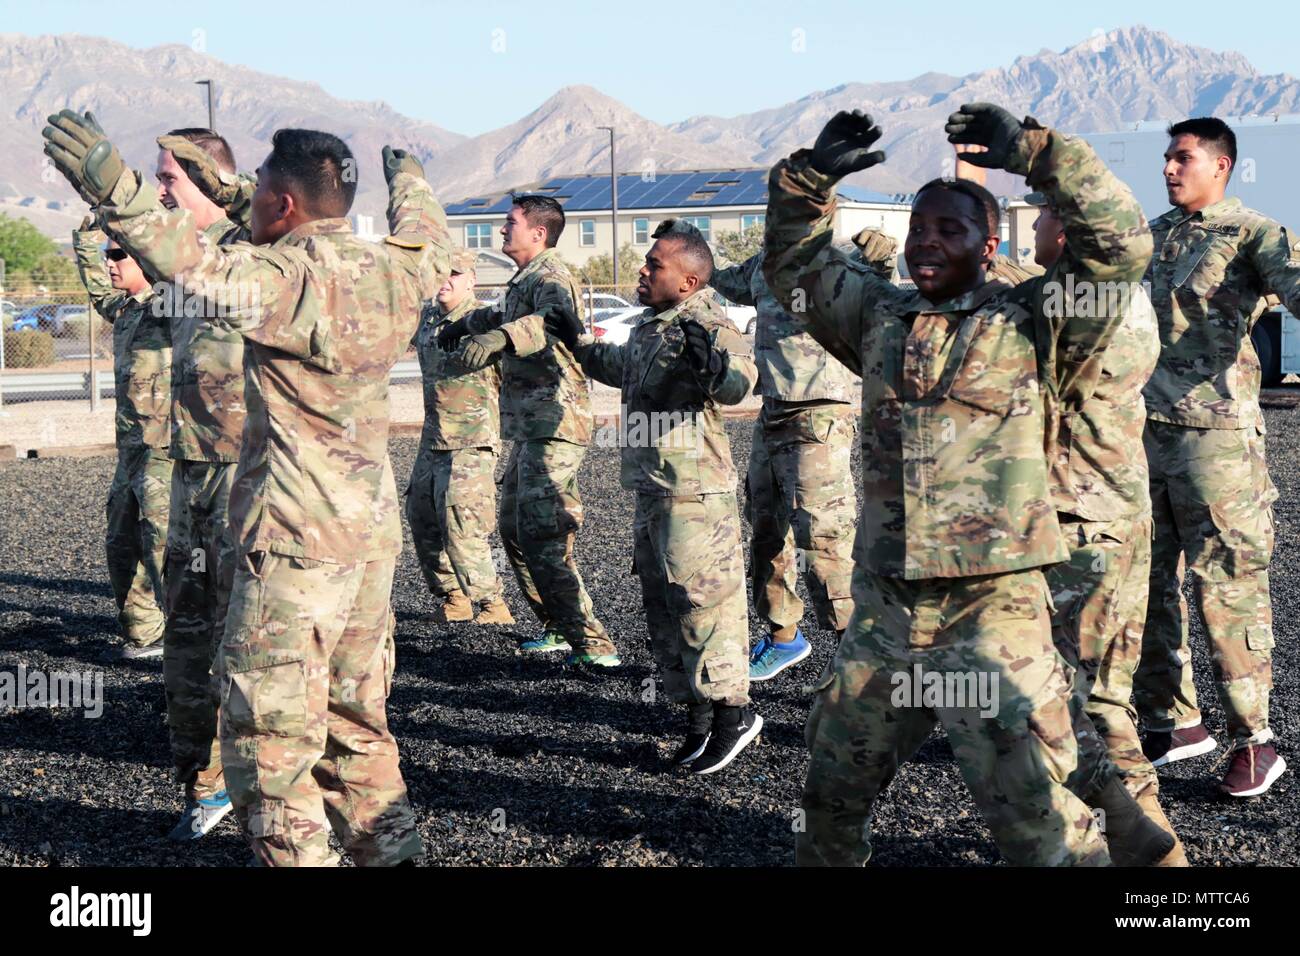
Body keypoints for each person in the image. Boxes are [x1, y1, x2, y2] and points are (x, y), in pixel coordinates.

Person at [43, 109, 452, 866]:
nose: (244, 200)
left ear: (284, 207)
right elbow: (425, 230)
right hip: (365, 549)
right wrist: (413, 184)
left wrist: (115, 187)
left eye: (255, 190)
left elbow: (191, 266)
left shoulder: (286, 280)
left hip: (295, 552)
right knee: (357, 731)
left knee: (268, 754)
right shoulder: (395, 267)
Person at [764, 103, 1152, 866]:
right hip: (885, 606)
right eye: (920, 231)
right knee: (830, 791)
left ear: (991, 243)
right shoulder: (878, 318)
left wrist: (1039, 155)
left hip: (991, 605)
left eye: (952, 230)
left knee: (1032, 817)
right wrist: (810, 181)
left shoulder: (1036, 319)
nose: (929, 244)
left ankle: (1128, 842)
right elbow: (794, 271)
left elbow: (1118, 249)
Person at [989, 193, 1185, 865]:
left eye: (1039, 217)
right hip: (1113, 512)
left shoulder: (1080, 303)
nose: (1033, 228)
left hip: (1079, 522)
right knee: (1100, 690)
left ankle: (1148, 844)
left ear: (1067, 231)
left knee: (1083, 698)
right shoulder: (1121, 295)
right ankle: (1138, 840)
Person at [545, 219, 762, 774]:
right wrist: (577, 340)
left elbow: (738, 378)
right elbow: (619, 368)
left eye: (654, 264)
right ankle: (695, 715)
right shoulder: (651, 324)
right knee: (664, 606)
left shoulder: (706, 318)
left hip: (694, 495)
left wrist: (714, 366)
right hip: (652, 489)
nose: (642, 270)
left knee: (703, 604)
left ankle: (733, 713)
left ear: (688, 281)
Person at [1134, 117, 1300, 797]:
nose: (1170, 169)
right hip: (1145, 436)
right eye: (1167, 159)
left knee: (1224, 589)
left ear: (1222, 166)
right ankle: (1174, 722)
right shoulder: (1155, 233)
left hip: (1217, 445)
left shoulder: (1252, 233)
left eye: (1183, 158)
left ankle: (1255, 740)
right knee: (1145, 587)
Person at [436, 195, 619, 667]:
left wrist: (499, 339)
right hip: (530, 427)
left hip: (557, 422)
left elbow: (548, 323)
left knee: (544, 534)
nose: (501, 230)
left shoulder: (551, 276)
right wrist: (467, 324)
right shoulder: (525, 280)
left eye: (510, 223)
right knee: (516, 530)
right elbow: (502, 314)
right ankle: (557, 625)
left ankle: (594, 646)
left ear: (538, 233)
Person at [710, 234, 858, 682]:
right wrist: (692, 247)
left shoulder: (837, 258)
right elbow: (725, 281)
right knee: (767, 528)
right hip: (772, 408)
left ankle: (858, 658)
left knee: (823, 539)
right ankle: (784, 637)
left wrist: (885, 259)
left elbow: (871, 291)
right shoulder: (764, 262)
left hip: (817, 411)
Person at [71, 220, 171, 661]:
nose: (110, 264)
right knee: (120, 542)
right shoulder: (127, 310)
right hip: (130, 453)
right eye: (108, 256)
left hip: (165, 452)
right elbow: (97, 291)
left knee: (164, 546)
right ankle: (145, 634)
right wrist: (86, 240)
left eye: (118, 256)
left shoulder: (170, 308)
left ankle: (191, 641)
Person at [405, 247, 513, 625]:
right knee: (421, 517)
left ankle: (492, 605)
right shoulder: (428, 319)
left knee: (462, 526)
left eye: (453, 273)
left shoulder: (481, 322)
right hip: (432, 438)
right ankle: (453, 599)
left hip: (471, 440)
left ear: (471, 280)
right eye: (439, 273)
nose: (444, 280)